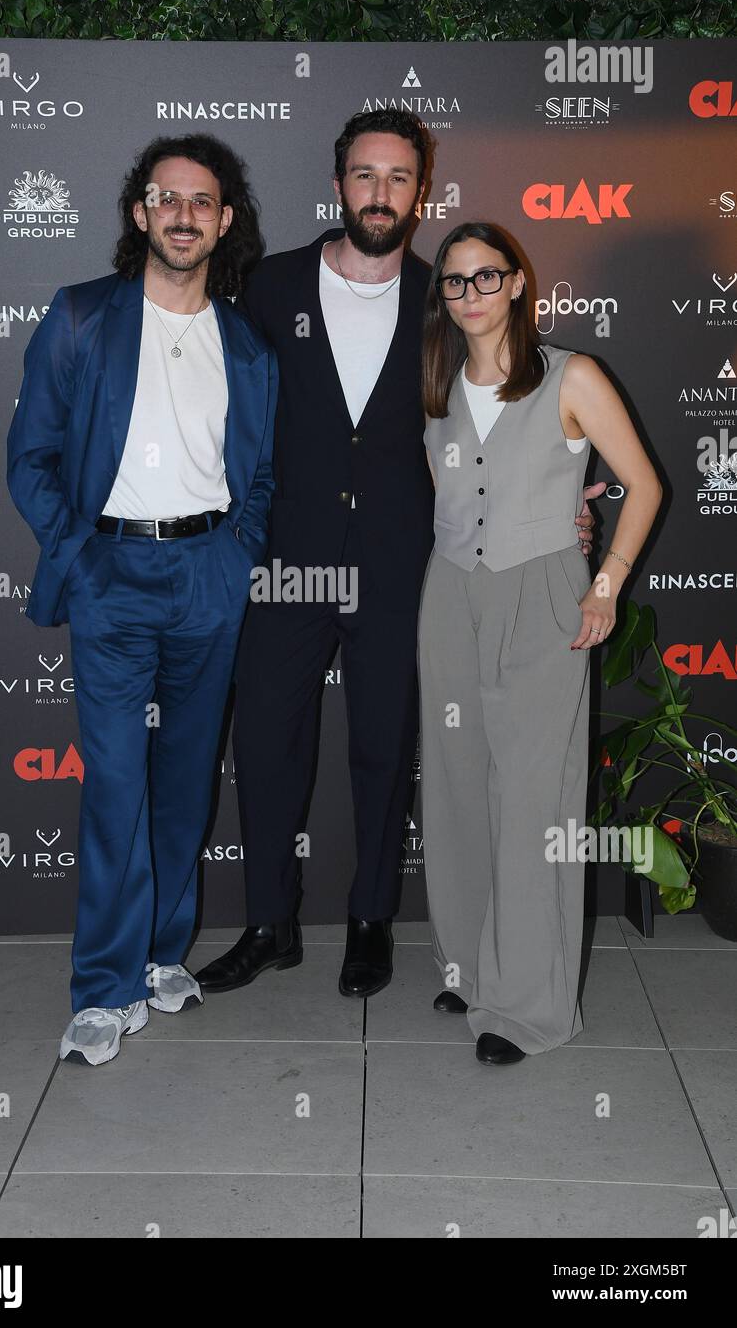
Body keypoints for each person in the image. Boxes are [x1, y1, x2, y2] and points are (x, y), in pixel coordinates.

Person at [196, 111, 601, 1000]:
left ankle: (372, 921)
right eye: (365, 175)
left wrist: (560, 498)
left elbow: (507, 407)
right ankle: (269, 924)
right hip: (286, 565)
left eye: (399, 178)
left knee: (384, 748)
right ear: (338, 181)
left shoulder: (446, 299)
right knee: (266, 745)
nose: (381, 194)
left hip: (401, 566)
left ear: (424, 191)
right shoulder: (268, 288)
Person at [6, 134, 277, 1066]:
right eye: (168, 198)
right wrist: (79, 556)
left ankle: (162, 954)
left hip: (209, 574)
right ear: (140, 212)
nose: (184, 215)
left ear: (225, 220)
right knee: (117, 787)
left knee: (183, 785)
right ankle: (102, 987)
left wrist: (240, 554)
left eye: (203, 202)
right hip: (111, 578)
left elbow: (262, 474)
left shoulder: (245, 344)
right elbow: (29, 456)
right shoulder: (82, 316)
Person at [419, 221, 662, 1064]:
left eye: (488, 277)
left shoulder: (572, 376)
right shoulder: (439, 377)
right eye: (455, 282)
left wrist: (606, 580)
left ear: (520, 283)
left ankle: (526, 1007)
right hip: (450, 593)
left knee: (532, 801)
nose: (471, 295)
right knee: (454, 788)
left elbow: (647, 484)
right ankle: (467, 963)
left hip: (545, 594)